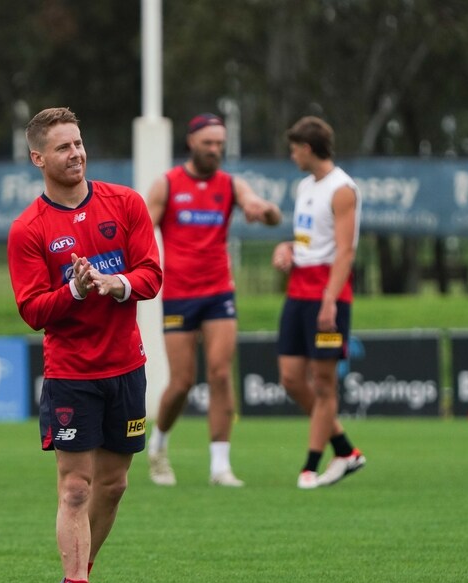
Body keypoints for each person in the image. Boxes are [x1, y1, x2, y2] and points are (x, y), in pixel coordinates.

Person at [7, 107, 162, 583]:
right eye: (63, 147)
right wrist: (73, 289)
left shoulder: (126, 203)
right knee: (75, 487)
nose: (75, 153)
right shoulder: (28, 228)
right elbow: (32, 311)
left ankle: (78, 574)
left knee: (113, 485)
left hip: (126, 368)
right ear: (38, 158)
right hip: (71, 372)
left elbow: (151, 274)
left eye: (78, 143)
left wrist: (118, 285)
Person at [145, 113, 282, 487]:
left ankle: (220, 466)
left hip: (219, 291)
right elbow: (139, 231)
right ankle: (158, 446)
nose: (215, 150)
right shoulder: (167, 185)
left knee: (221, 373)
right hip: (178, 295)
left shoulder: (230, 185)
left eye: (220, 144)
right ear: (191, 142)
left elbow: (266, 211)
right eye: (208, 143)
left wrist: (264, 210)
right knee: (182, 382)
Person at [271, 115, 366, 490]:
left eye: (294, 149)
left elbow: (345, 251)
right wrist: (287, 249)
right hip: (297, 293)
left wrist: (330, 301)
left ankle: (310, 466)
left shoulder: (343, 189)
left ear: (307, 149)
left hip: (329, 297)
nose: (292, 156)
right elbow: (311, 242)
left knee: (324, 384)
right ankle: (345, 450)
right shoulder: (304, 187)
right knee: (291, 379)